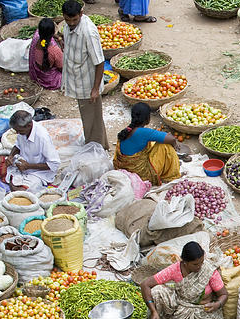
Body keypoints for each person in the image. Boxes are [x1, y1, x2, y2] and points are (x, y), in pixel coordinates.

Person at [140, 241, 227, 319]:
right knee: (157, 291)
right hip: (179, 307)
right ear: (185, 262)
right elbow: (145, 284)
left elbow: (224, 295)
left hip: (203, 314)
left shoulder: (209, 271)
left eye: (201, 262)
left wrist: (217, 304)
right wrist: (153, 311)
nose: (200, 266)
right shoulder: (175, 269)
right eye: (195, 264)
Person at [61, 0, 108, 149]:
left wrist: (95, 89)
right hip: (77, 79)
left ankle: (96, 147)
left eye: (74, 20)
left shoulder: (88, 32)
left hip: (87, 84)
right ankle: (96, 144)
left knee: (92, 119)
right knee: (89, 117)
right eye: (68, 20)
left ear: (81, 14)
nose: (71, 23)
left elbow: (99, 62)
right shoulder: (67, 27)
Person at [0, 111, 61, 192]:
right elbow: (17, 146)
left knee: (19, 191)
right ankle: (11, 178)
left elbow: (54, 164)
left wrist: (28, 166)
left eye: (19, 131)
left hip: (38, 172)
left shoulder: (42, 137)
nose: (17, 133)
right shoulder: (23, 131)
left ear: (29, 125)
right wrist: (11, 156)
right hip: (20, 164)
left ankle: (9, 178)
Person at [113, 102, 181, 185]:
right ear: (147, 119)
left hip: (125, 169)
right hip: (141, 175)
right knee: (165, 146)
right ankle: (169, 175)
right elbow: (171, 139)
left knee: (151, 142)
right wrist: (175, 146)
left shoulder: (126, 131)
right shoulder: (143, 132)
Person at [28, 18, 63, 90]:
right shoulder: (54, 50)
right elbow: (62, 69)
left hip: (36, 75)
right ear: (53, 32)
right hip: (49, 80)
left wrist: (59, 38)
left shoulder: (36, 37)